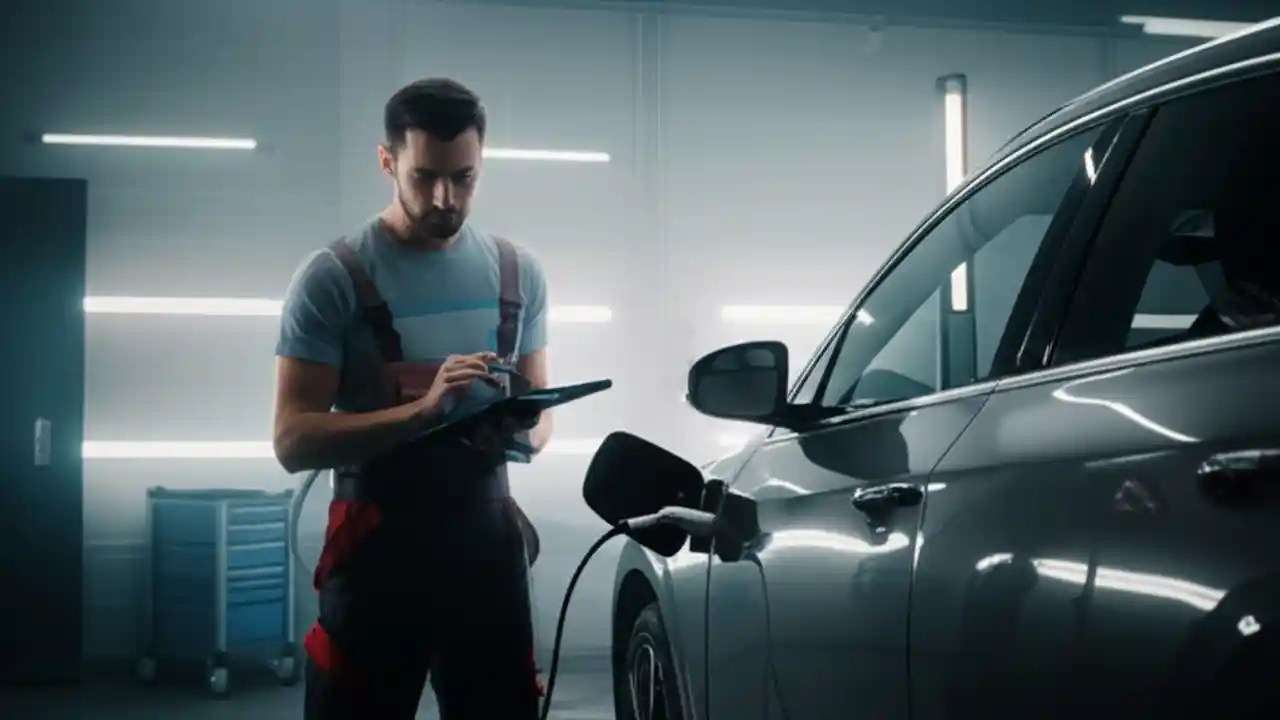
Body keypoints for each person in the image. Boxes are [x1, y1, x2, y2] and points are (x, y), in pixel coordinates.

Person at [272, 77, 552, 719]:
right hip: (376, 550)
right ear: (387, 161)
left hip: (486, 541)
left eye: (464, 177)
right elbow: (291, 441)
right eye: (425, 176)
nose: (445, 198)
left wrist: (517, 431)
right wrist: (422, 413)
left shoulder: (519, 273)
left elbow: (542, 424)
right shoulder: (333, 278)